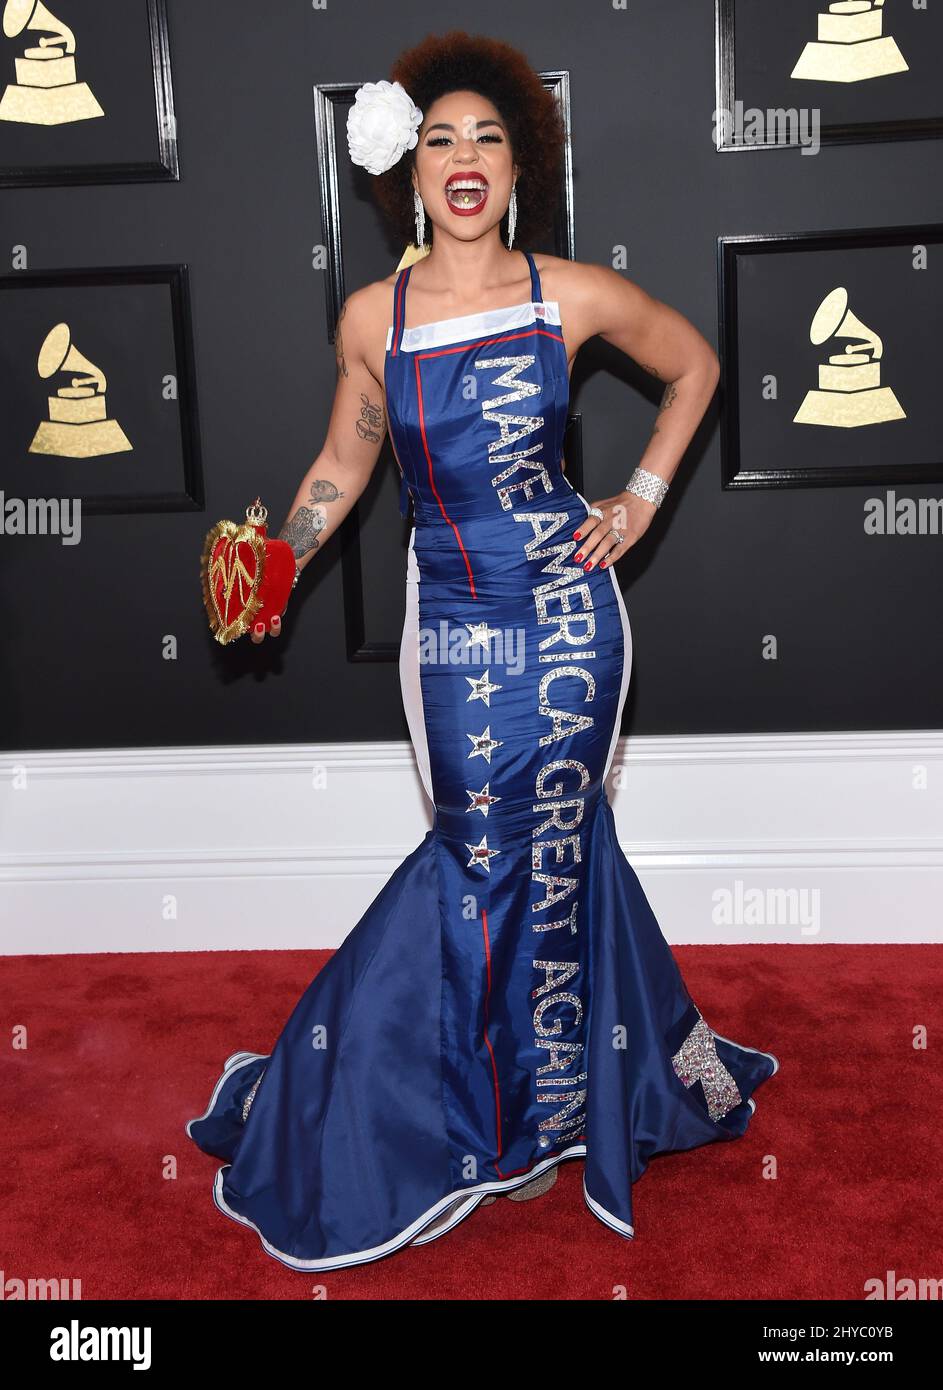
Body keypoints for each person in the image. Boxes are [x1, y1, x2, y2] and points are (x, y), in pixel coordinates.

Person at [186, 29, 778, 1272]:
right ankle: (457, 1108)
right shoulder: (372, 318)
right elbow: (346, 463)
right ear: (411, 170)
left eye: (488, 139)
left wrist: (639, 499)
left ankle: (554, 1102)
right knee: (471, 853)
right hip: (447, 627)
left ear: (519, 169)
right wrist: (282, 559)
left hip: (571, 621)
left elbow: (696, 365)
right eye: (442, 137)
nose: (465, 157)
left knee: (558, 848)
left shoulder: (568, 294)